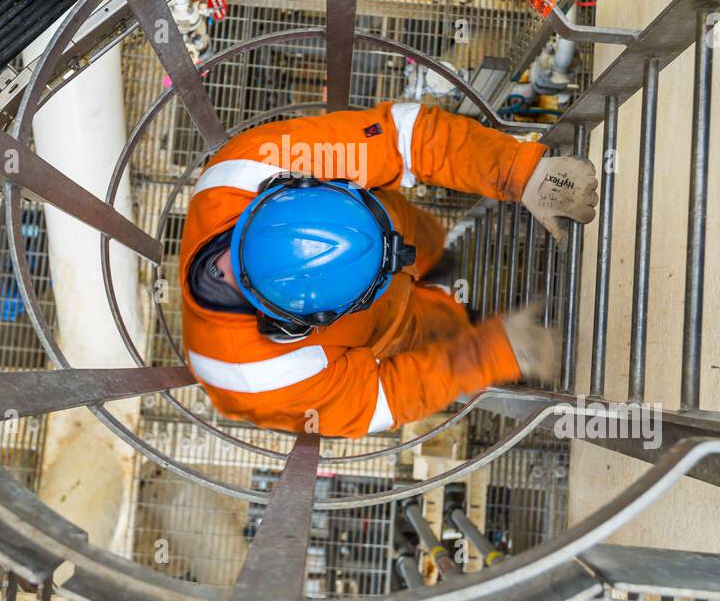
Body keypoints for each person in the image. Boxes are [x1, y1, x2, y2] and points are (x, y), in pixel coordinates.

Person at [178, 101, 598, 438]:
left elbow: (403, 137)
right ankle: (466, 314)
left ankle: (445, 262)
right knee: (443, 331)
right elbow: (387, 395)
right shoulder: (256, 379)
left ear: (293, 188)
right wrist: (494, 352)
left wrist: (520, 172)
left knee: (428, 242)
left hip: (392, 226)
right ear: (296, 326)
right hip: (385, 329)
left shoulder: (257, 164)